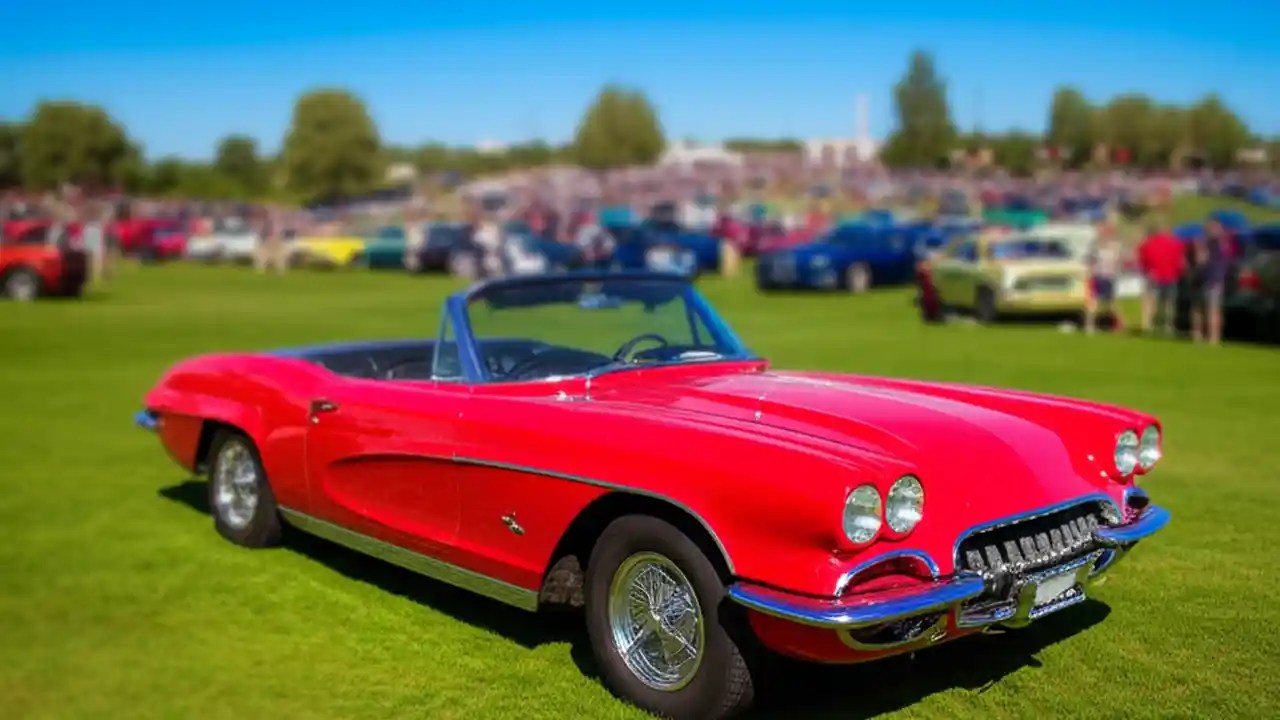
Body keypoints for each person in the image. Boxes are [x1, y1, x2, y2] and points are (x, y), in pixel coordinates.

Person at [1136, 219, 1185, 335]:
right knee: (1169, 303)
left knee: (1149, 301)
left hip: (1153, 276)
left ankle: (1147, 324)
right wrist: (1179, 274)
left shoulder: (1148, 243)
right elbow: (1180, 262)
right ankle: (1168, 325)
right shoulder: (1176, 243)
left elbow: (1142, 259)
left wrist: (1146, 271)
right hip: (1170, 276)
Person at [1190, 220, 1230, 345]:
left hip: (1210, 279)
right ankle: (1209, 336)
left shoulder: (1213, 244)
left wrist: (1200, 247)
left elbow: (1201, 260)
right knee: (1206, 309)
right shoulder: (1218, 243)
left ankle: (1205, 336)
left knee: (1205, 309)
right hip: (1207, 279)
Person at [1084, 223, 1123, 334]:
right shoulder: (1099, 246)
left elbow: (1117, 262)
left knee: (1108, 304)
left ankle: (1092, 326)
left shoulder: (1106, 246)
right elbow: (1090, 262)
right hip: (1102, 277)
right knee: (1100, 303)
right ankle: (1091, 325)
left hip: (1105, 277)